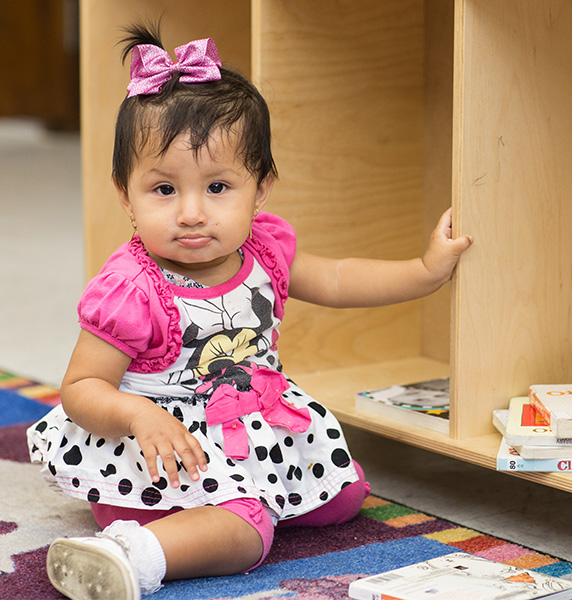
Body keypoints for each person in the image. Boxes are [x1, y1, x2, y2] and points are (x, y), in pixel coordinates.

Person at [27, 22, 472, 600]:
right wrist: (138, 416)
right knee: (247, 530)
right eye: (164, 190)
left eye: (218, 188)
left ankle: (222, 512)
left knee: (343, 495)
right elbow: (81, 388)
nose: (191, 213)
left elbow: (339, 278)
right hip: (159, 456)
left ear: (260, 189)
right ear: (125, 194)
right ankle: (131, 553)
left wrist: (425, 270)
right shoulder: (132, 289)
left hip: (248, 426)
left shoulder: (265, 250)